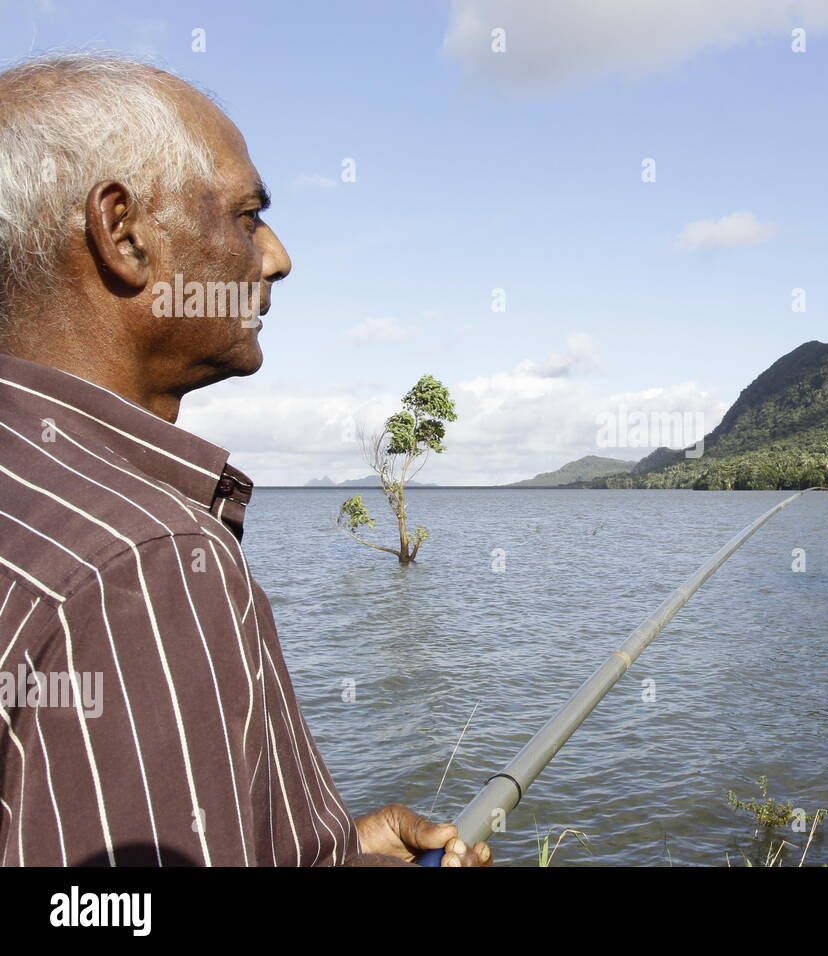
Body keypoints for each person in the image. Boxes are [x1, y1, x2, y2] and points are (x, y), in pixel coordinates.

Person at [0, 53, 489, 867]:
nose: (277, 257)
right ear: (123, 234)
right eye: (246, 215)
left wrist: (323, 849)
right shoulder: (143, 569)